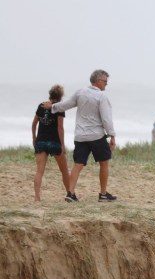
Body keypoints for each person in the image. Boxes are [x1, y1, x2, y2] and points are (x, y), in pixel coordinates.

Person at [42, 69, 117, 202]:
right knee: (104, 162)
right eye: (105, 81)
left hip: (80, 136)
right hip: (96, 136)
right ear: (97, 81)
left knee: (78, 164)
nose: (106, 84)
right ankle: (103, 194)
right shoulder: (102, 97)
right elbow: (106, 119)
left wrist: (52, 107)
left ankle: (70, 193)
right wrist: (112, 135)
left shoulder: (80, 92)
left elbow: (66, 105)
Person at [31, 84, 72, 202]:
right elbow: (60, 128)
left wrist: (34, 138)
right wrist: (62, 145)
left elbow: (34, 124)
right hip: (54, 142)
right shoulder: (59, 108)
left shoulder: (41, 105)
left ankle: (37, 197)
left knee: (39, 171)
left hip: (41, 141)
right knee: (64, 171)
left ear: (50, 94)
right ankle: (69, 194)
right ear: (61, 96)